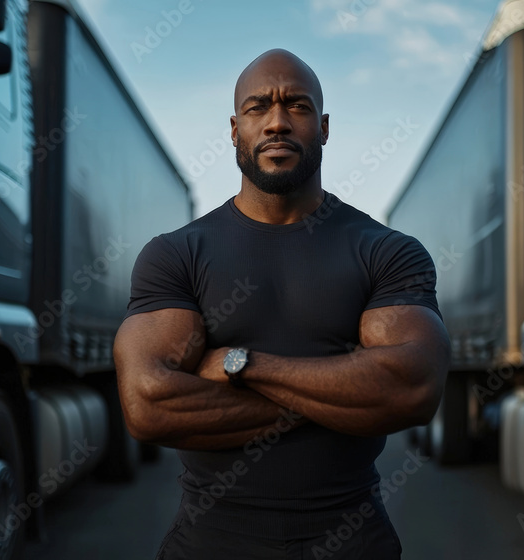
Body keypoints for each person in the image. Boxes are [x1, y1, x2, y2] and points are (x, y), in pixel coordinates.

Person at [113, 48, 449, 560]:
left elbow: (412, 387)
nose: (276, 122)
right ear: (233, 129)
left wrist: (240, 364)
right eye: (257, 108)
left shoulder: (386, 250)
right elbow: (148, 404)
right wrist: (344, 391)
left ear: (324, 126)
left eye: (296, 105)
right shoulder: (176, 253)